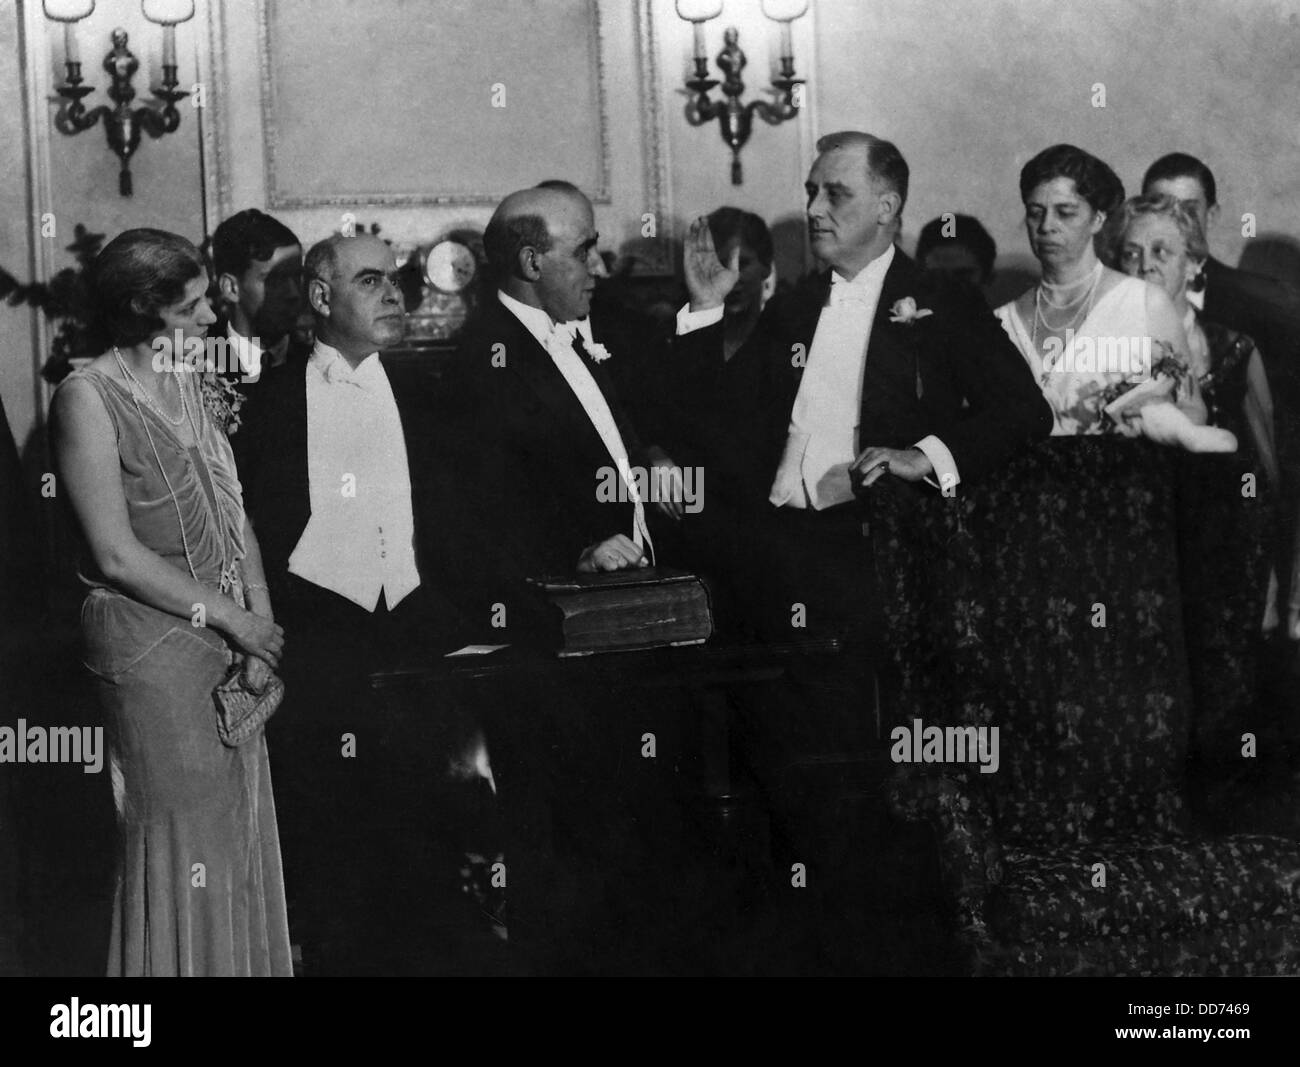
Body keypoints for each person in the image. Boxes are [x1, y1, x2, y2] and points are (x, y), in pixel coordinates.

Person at [672, 131, 1053, 898]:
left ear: (888, 207)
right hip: (769, 559)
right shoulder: (800, 303)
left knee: (866, 772)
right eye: (812, 191)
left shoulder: (943, 302)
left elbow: (1024, 412)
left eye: (833, 194)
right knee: (769, 768)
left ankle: (871, 916)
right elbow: (709, 426)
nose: (812, 208)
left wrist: (927, 455)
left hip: (874, 557)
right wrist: (704, 313)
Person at [234, 232, 493, 973]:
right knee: (335, 862)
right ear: (320, 298)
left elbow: (462, 522)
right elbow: (249, 531)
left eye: (399, 281)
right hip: (318, 661)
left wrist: (449, 615)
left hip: (420, 649)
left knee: (430, 852)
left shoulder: (431, 391)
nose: (395, 295)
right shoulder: (264, 404)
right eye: (373, 280)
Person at [49, 228, 291, 976]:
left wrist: (257, 619)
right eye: (191, 307)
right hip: (150, 645)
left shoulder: (189, 374)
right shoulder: (85, 396)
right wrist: (232, 618)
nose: (211, 320)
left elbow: (234, 512)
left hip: (228, 634)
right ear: (139, 309)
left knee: (237, 831)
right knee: (183, 841)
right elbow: (115, 554)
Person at [993, 144, 1229, 449]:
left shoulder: (1145, 303)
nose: (1047, 226)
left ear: (1098, 220)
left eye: (1065, 212)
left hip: (1125, 484)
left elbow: (1193, 407)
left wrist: (1156, 415)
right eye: (1035, 213)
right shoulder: (1002, 321)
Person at [211, 208, 306, 391]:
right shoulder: (196, 367)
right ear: (231, 288)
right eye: (274, 280)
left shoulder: (319, 366)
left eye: (296, 276)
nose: (294, 293)